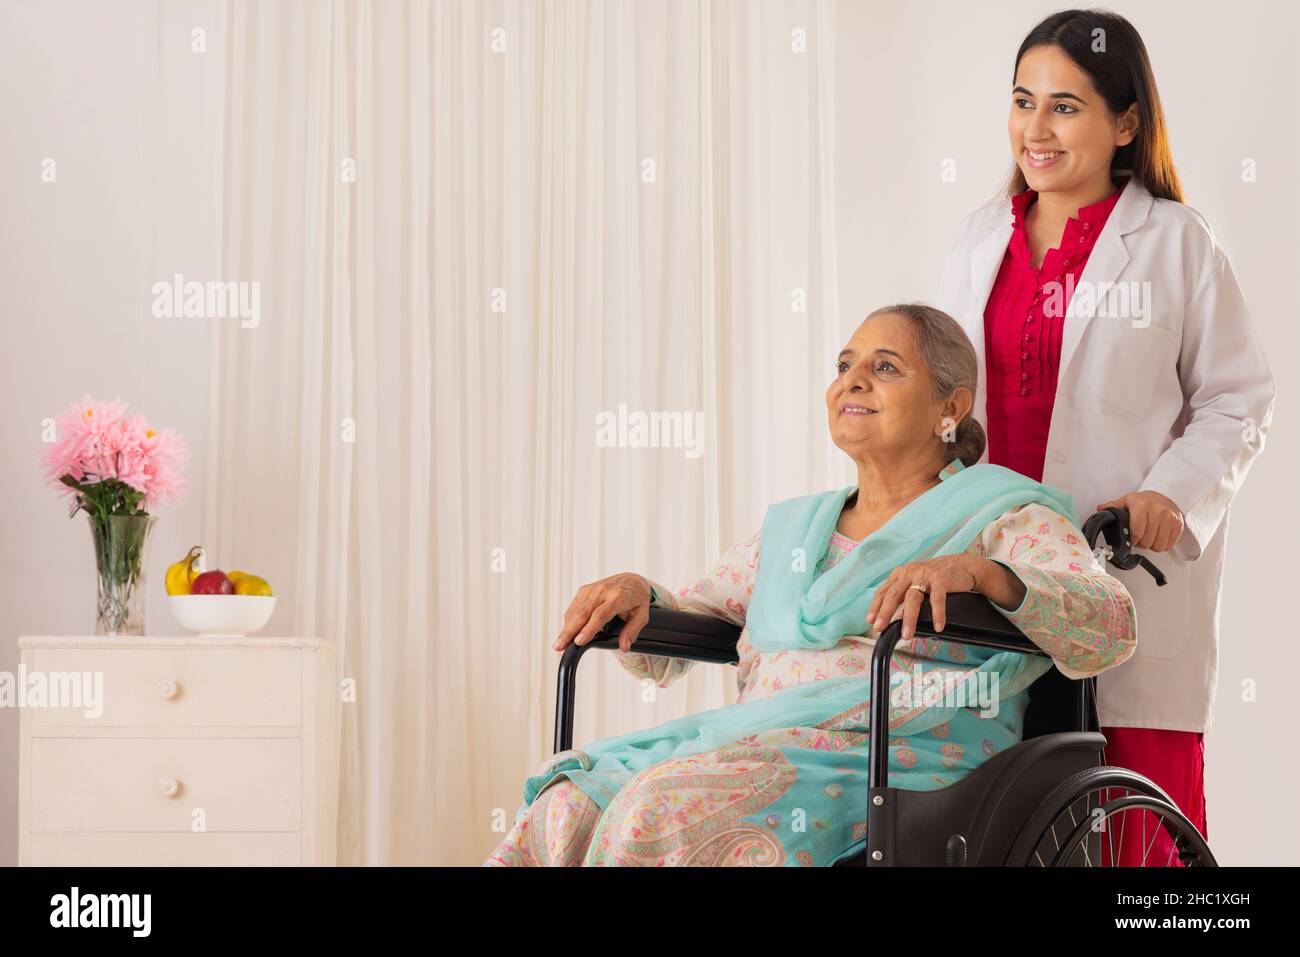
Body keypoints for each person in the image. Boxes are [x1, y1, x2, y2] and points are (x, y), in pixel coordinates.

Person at [486, 304, 1137, 867]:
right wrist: (640, 597)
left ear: (951, 406)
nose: (851, 379)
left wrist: (983, 573)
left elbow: (1109, 624)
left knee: (662, 805)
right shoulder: (794, 530)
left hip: (907, 760)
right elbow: (681, 628)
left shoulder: (1002, 512)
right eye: (844, 364)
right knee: (566, 803)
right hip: (755, 741)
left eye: (885, 367)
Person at [935, 9, 1275, 865]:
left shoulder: (1175, 244)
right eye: (1022, 102)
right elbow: (945, 397)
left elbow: (1238, 398)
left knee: (1132, 835)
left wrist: (1169, 493)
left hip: (1116, 574)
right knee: (1000, 820)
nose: (1034, 130)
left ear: (1126, 122)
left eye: (1064, 107)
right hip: (997, 575)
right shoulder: (980, 240)